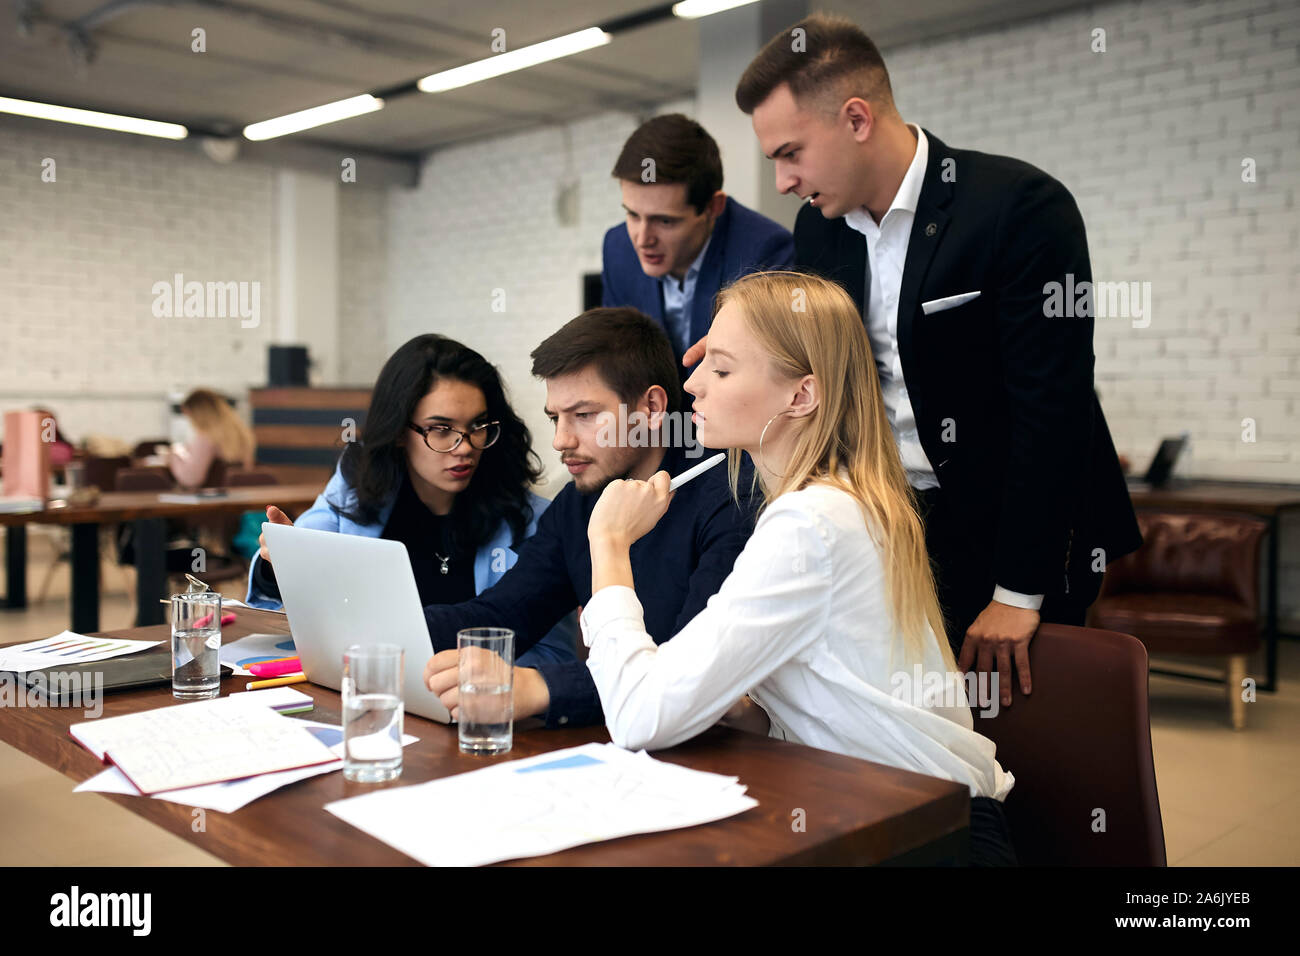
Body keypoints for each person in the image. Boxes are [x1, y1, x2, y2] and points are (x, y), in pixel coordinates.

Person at [683, 13, 1142, 705]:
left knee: (1016, 741)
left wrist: (1019, 591)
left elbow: (1053, 409)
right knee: (907, 726)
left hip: (1017, 529)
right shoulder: (820, 228)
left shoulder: (1018, 208)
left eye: (791, 153)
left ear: (857, 118)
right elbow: (825, 364)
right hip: (894, 523)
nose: (781, 180)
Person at [581, 271, 1017, 866]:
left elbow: (637, 717)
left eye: (722, 368)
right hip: (902, 816)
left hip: (924, 841)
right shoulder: (845, 502)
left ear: (801, 396)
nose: (693, 384)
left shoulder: (811, 524)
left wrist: (607, 544)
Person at [422, 308, 755, 728]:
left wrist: (535, 687)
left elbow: (685, 673)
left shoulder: (729, 497)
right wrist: (389, 626)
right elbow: (503, 615)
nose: (562, 440)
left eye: (584, 415)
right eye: (555, 418)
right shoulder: (578, 502)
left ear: (651, 408)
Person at [246, 335, 577, 669]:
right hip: (369, 686)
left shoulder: (533, 519)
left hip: (471, 703)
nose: (464, 447)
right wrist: (278, 565)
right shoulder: (356, 486)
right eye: (441, 429)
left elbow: (553, 657)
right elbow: (294, 594)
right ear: (400, 431)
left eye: (477, 425)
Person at [601, 114, 794, 389]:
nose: (643, 239)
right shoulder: (617, 248)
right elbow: (618, 358)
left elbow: (769, 378)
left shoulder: (764, 250)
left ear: (713, 207)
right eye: (632, 215)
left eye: (665, 221)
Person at [168, 389, 255, 488]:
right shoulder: (241, 434)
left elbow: (191, 479)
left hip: (208, 498)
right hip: (236, 496)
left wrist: (174, 458)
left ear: (198, 414)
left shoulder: (206, 438)